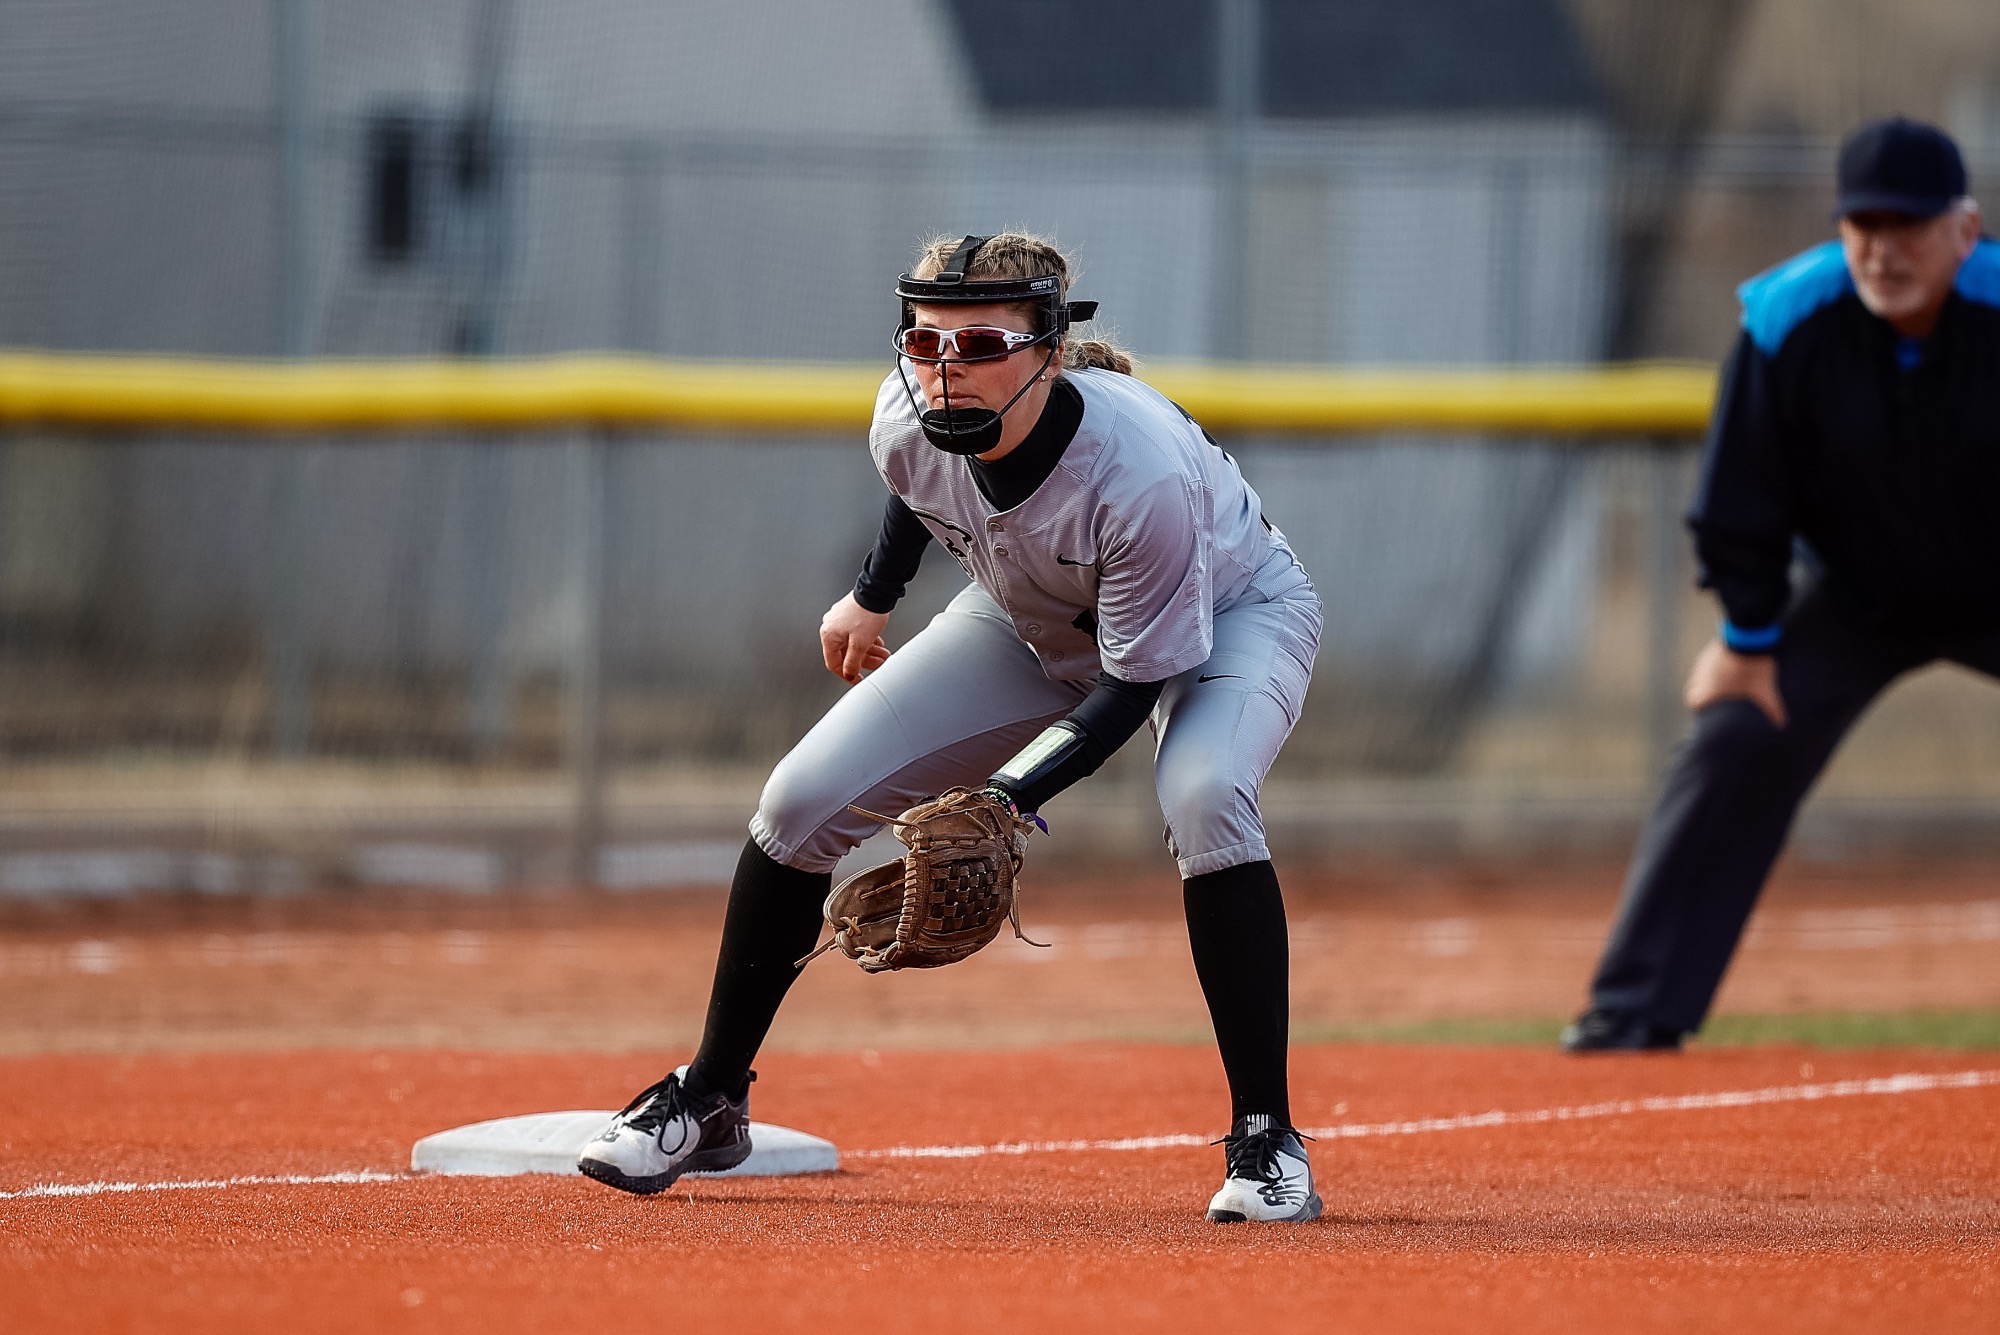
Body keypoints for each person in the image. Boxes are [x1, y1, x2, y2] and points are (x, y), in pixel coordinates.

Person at [577, 232, 1326, 1222]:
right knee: (796, 804)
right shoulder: (907, 411)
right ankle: (712, 1098)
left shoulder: (1134, 472)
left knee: (1204, 795)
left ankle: (1266, 1140)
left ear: (1048, 351)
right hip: (1028, 612)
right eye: (925, 343)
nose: (944, 371)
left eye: (979, 347)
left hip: (1229, 614)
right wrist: (869, 600)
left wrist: (1006, 799)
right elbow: (918, 482)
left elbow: (1129, 687)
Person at [1563, 117, 2000, 1052]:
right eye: (1864, 226)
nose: (1884, 250)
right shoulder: (1788, 317)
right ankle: (1633, 1010)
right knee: (1733, 732)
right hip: (1858, 599)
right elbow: (1739, 495)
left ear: (1965, 230)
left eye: (1910, 226)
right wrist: (1750, 639)